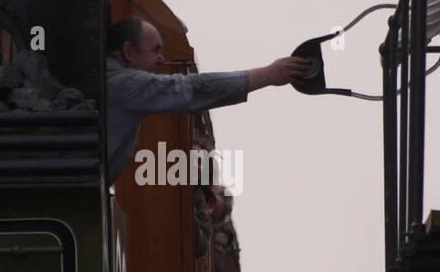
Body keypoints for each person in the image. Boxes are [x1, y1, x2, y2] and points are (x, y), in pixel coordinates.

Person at [105, 17, 308, 180]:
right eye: (155, 50)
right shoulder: (126, 84)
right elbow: (195, 89)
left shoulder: (113, 80)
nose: (161, 59)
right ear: (129, 51)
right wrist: (268, 75)